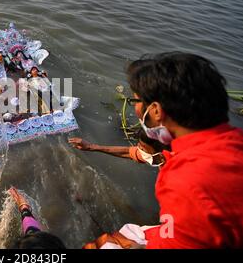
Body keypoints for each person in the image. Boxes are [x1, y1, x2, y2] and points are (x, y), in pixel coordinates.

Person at [122, 52, 243, 248]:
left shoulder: (185, 179)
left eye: (136, 102)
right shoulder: (234, 141)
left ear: (156, 110)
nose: (135, 110)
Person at [69, 129, 170, 167]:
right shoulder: (156, 156)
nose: (138, 148)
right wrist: (91, 147)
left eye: (142, 148)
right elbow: (128, 152)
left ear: (161, 155)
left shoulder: (177, 172)